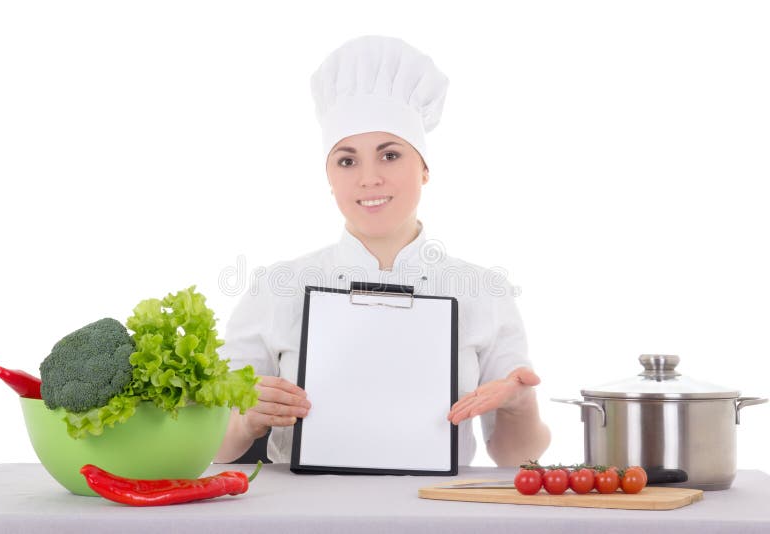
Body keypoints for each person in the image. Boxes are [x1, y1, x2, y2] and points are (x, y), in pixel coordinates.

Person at [214, 35, 551, 467]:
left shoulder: (484, 291)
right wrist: (246, 421)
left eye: (390, 155)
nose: (369, 178)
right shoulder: (275, 288)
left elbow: (513, 456)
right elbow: (212, 448)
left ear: (424, 168)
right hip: (301, 505)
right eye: (347, 161)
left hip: (437, 503)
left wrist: (519, 404)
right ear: (329, 178)